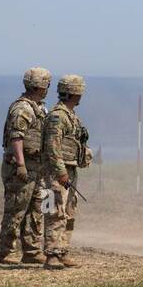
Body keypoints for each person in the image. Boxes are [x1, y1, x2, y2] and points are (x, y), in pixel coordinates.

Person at [0, 67, 51, 264]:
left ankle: (32, 250)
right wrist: (20, 165)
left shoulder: (37, 108)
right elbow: (16, 137)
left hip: (36, 167)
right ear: (41, 87)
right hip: (21, 167)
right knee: (16, 208)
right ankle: (7, 251)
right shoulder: (23, 109)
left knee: (36, 209)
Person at [42, 74, 91, 269]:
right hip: (56, 172)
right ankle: (52, 254)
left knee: (69, 211)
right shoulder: (57, 116)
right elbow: (52, 148)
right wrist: (61, 172)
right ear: (74, 93)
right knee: (54, 211)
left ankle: (62, 251)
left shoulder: (70, 116)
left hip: (69, 169)